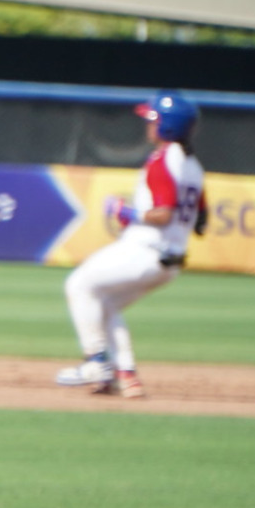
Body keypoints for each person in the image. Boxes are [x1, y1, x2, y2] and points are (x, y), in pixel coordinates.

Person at [55, 91, 207, 400]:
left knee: (78, 285)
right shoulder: (194, 167)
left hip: (146, 251)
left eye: (153, 119)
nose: (148, 125)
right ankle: (126, 375)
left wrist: (128, 213)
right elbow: (201, 222)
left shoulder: (163, 159)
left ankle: (95, 364)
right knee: (105, 304)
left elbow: (164, 214)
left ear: (167, 126)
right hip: (170, 262)